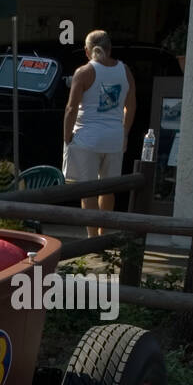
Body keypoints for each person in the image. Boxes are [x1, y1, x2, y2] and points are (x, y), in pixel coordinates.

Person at [63, 29, 135, 236]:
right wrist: (125, 133)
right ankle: (104, 232)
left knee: (88, 190)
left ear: (87, 51)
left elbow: (71, 108)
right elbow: (131, 105)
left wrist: (67, 136)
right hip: (114, 137)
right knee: (108, 187)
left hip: (87, 136)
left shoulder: (84, 72)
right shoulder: (125, 71)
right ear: (110, 49)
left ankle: (92, 236)